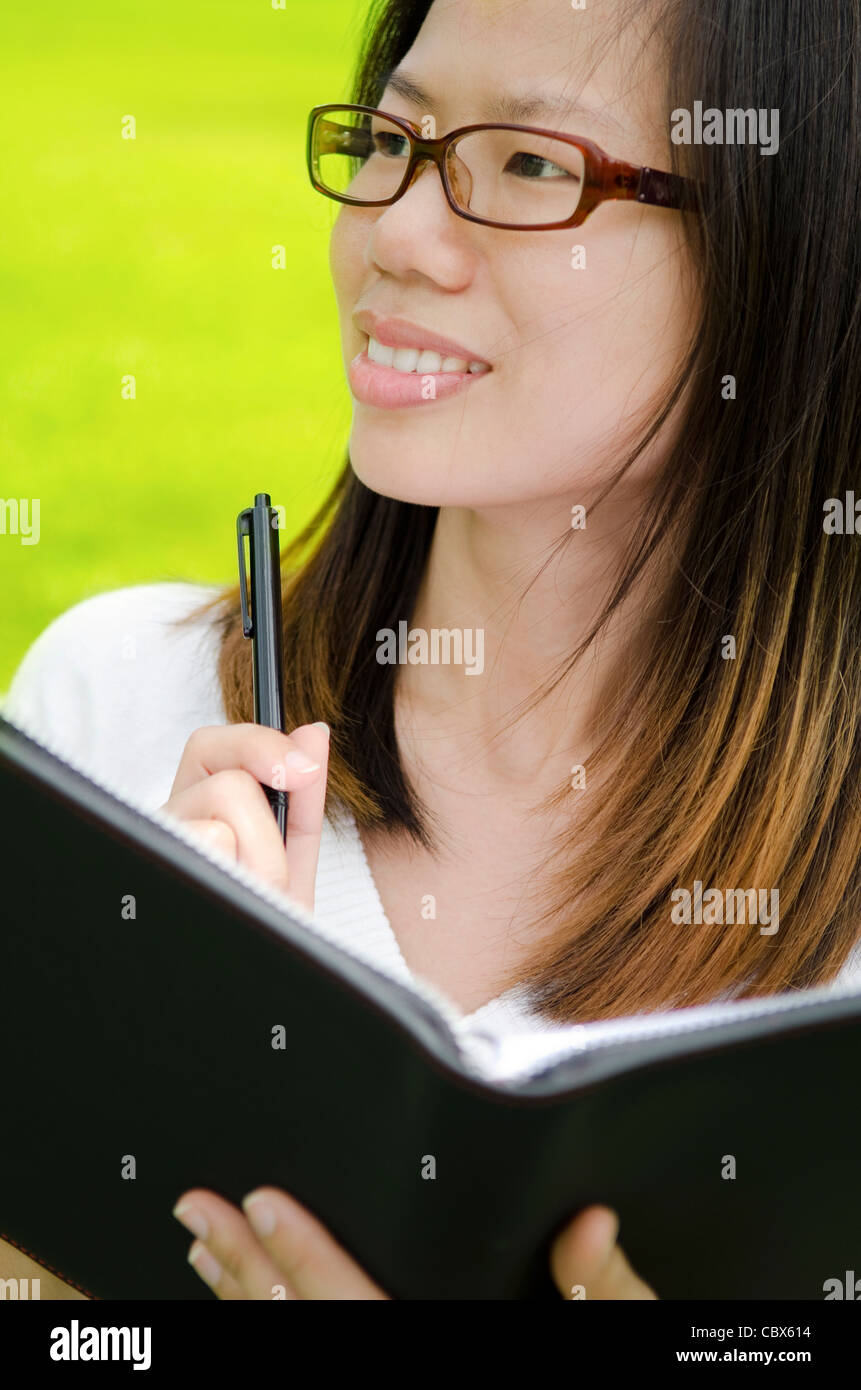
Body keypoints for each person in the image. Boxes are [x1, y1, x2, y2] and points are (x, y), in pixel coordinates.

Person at [3, 0, 858, 1300]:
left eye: (527, 165)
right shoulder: (112, 713)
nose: (393, 229)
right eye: (393, 137)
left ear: (780, 244)